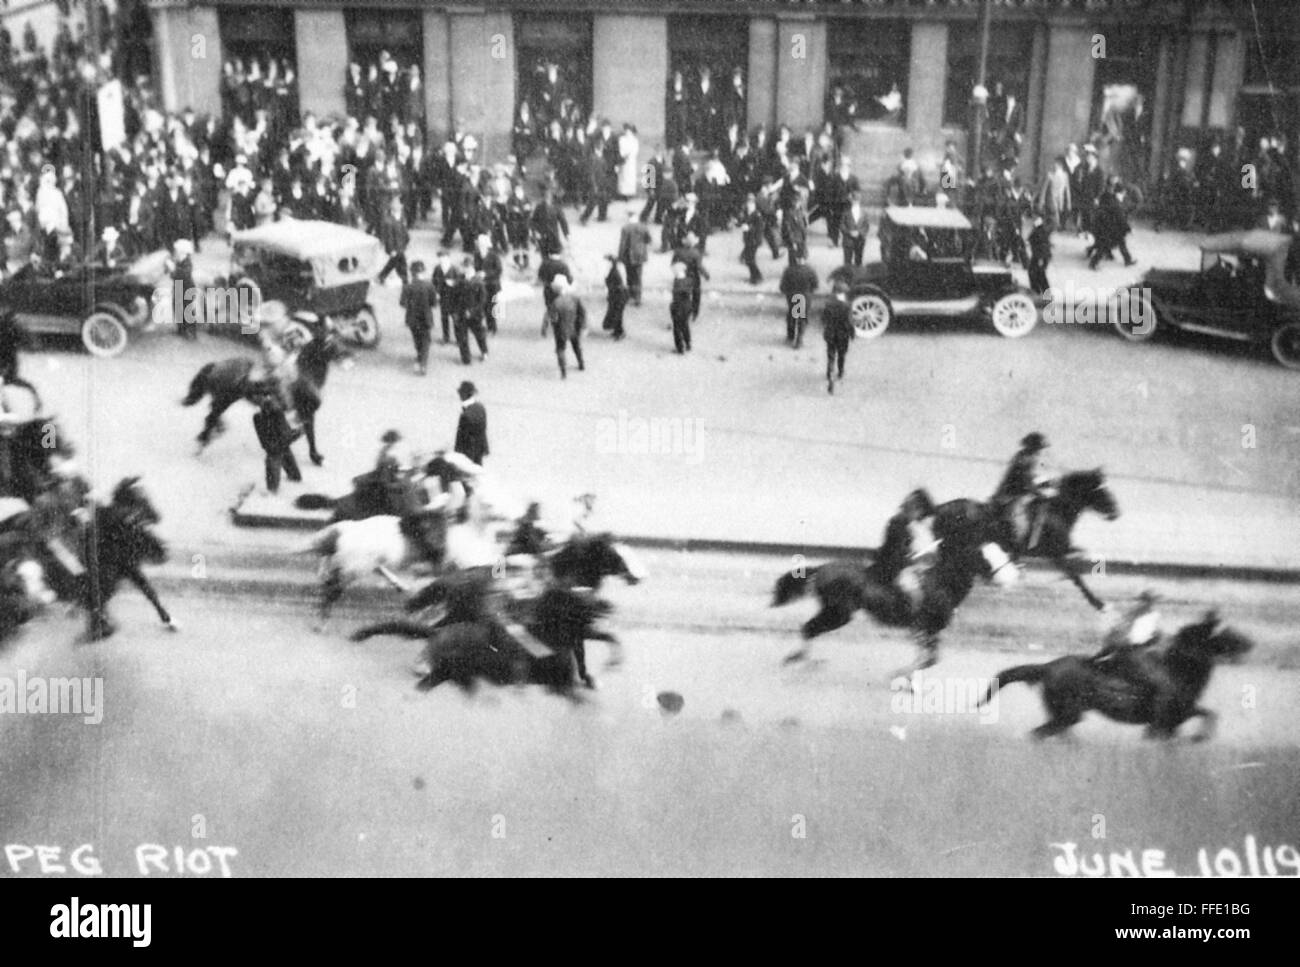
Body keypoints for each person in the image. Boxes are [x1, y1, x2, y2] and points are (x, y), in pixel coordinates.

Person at [991, 432, 1055, 551]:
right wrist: (1039, 493)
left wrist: (1046, 483)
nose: (1041, 451)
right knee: (1019, 520)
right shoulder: (1025, 458)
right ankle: (1018, 545)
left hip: (1022, 492)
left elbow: (1032, 478)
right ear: (1033, 446)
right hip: (1012, 494)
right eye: (1040, 447)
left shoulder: (1029, 457)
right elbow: (1026, 480)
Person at [874, 488, 939, 603]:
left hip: (902, 564)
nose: (919, 515)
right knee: (915, 594)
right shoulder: (898, 522)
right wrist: (915, 561)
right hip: (893, 567)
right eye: (918, 509)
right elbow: (896, 552)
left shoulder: (907, 523)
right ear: (913, 508)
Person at [251, 388, 302, 496]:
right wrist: (297, 433)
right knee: (273, 487)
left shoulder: (274, 413)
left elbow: (285, 433)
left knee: (294, 477)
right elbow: (284, 436)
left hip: (279, 447)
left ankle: (279, 484)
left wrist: (294, 433)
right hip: (275, 450)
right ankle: (273, 490)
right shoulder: (260, 417)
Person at [544, 275, 585, 378]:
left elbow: (552, 318)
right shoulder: (575, 298)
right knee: (576, 346)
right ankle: (581, 363)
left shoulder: (556, 302)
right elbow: (582, 313)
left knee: (560, 349)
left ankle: (563, 371)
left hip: (560, 330)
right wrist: (582, 325)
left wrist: (550, 327)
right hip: (574, 327)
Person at [400, 260, 435, 375]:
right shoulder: (429, 286)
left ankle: (419, 357)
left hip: (412, 318)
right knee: (426, 340)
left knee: (417, 338)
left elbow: (402, 303)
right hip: (425, 317)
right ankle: (423, 364)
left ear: (412, 273)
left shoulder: (407, 287)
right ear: (423, 272)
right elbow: (433, 303)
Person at [779, 253, 819, 349]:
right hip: (804, 296)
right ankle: (799, 340)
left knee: (792, 316)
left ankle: (790, 336)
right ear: (805, 258)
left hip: (793, 296)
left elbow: (783, 286)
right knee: (802, 318)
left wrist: (788, 293)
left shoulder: (789, 270)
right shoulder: (810, 270)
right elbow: (815, 285)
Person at [822, 281, 855, 394]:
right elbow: (850, 322)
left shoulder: (828, 304)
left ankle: (830, 373)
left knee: (831, 355)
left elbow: (823, 319)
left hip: (830, 333)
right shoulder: (847, 305)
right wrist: (852, 334)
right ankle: (840, 372)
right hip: (843, 335)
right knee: (841, 354)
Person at [456, 259, 490, 364]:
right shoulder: (460, 281)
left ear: (472, 269)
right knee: (462, 336)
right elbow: (456, 297)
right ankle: (466, 358)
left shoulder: (479, 282)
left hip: (475, 315)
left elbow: (482, 300)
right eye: (465, 267)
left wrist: (472, 311)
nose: (466, 270)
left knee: (479, 334)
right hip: (461, 313)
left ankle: (484, 351)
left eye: (468, 268)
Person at [616, 206, 651, 306]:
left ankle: (631, 294)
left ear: (629, 217)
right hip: (640, 255)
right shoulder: (643, 227)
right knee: (638, 277)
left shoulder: (625, 228)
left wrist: (619, 256)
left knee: (629, 275)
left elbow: (622, 244)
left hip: (628, 255)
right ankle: (638, 298)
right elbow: (648, 240)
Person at [671, 230, 709, 321]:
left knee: (683, 296)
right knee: (696, 295)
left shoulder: (678, 252)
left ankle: (684, 312)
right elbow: (699, 267)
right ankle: (694, 313)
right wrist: (706, 275)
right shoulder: (696, 253)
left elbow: (673, 264)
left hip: (682, 277)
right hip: (693, 277)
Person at [454, 380, 489, 466]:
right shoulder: (480, 407)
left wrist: (457, 453)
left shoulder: (465, 415)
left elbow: (462, 438)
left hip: (468, 453)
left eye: (460, 393)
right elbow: (483, 431)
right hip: (479, 450)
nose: (459, 395)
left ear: (464, 395)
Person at [474, 234, 503, 335]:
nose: (481, 247)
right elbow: (476, 267)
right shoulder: (477, 255)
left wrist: (486, 274)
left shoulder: (494, 256)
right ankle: (487, 326)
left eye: (483, 245)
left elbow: (499, 270)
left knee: (492, 306)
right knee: (483, 305)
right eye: (480, 245)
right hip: (482, 285)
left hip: (492, 285)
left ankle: (493, 327)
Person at [377, 196, 410, 284]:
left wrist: (407, 241)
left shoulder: (401, 217)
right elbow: (389, 237)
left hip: (401, 246)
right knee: (401, 263)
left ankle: (382, 276)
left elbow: (404, 231)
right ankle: (405, 280)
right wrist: (391, 250)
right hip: (394, 247)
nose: (401, 208)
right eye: (398, 207)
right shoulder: (389, 221)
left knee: (393, 263)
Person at [602, 254, 629, 340]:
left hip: (618, 296)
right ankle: (617, 331)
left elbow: (615, 285)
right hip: (617, 296)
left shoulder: (614, 272)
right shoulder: (614, 270)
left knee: (617, 315)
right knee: (616, 314)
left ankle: (619, 333)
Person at [740, 193, 765, 284]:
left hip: (754, 240)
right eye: (748, 203)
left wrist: (749, 228)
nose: (749, 205)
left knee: (750, 259)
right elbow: (742, 221)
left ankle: (757, 276)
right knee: (748, 259)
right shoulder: (747, 212)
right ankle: (753, 276)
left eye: (751, 203)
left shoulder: (757, 214)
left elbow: (760, 227)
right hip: (748, 239)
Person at [840, 190, 869, 267]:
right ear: (851, 200)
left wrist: (859, 232)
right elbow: (842, 225)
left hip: (860, 240)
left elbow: (866, 226)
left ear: (859, 200)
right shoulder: (846, 212)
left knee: (858, 261)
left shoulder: (864, 213)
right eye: (854, 200)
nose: (855, 202)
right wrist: (849, 232)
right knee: (847, 261)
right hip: (848, 240)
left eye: (857, 200)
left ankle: (858, 277)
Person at [669, 260, 693, 354]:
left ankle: (680, 348)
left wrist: (672, 308)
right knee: (685, 325)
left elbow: (676, 297)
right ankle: (688, 343)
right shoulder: (689, 280)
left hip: (678, 307)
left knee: (677, 328)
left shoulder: (677, 282)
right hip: (687, 306)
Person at [1026, 214, 1052, 296]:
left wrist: (1041, 259)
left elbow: (1042, 246)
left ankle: (1038, 292)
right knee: (1037, 274)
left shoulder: (1040, 231)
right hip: (1039, 256)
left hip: (1040, 257)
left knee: (1038, 274)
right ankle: (1039, 292)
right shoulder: (1039, 230)